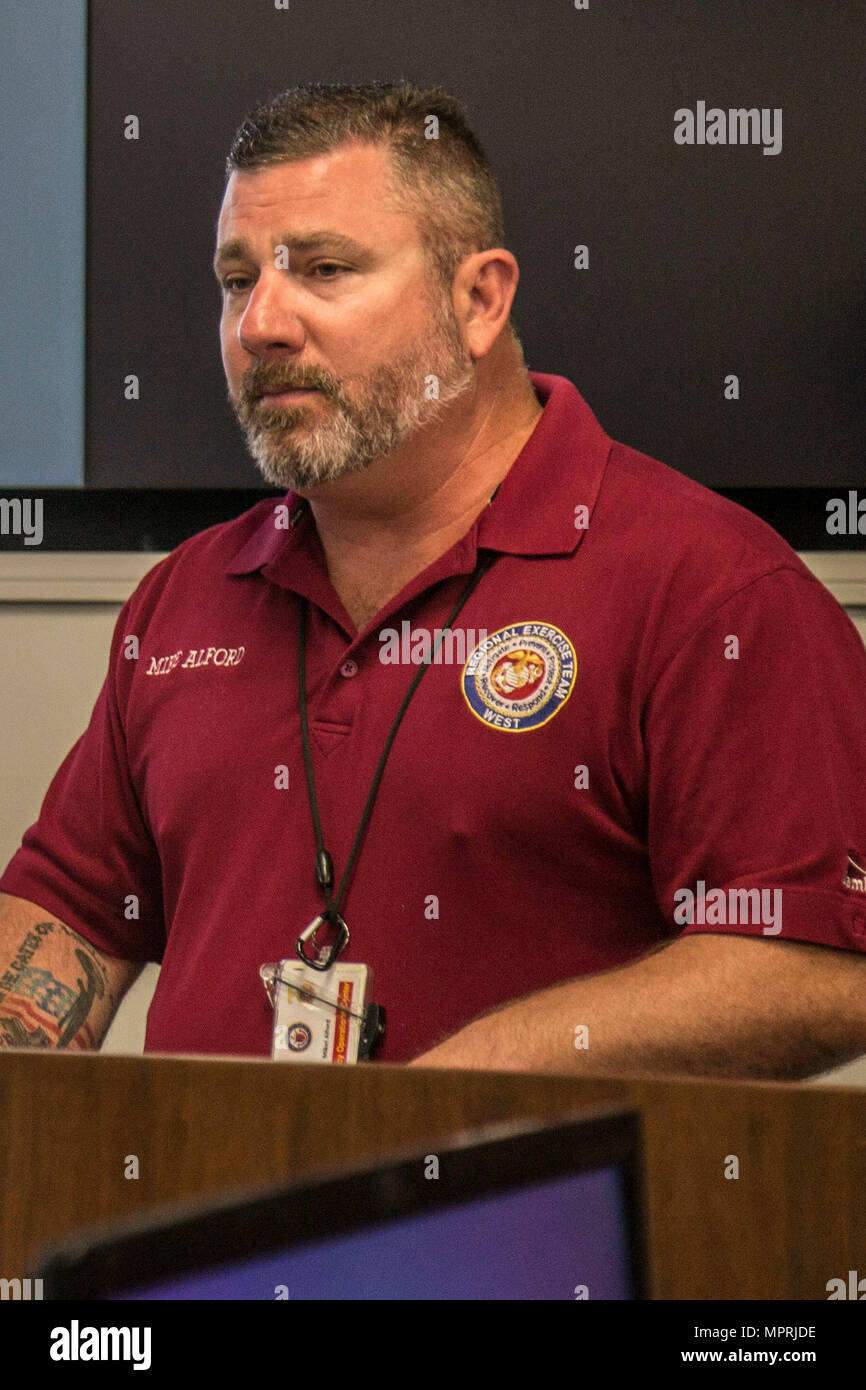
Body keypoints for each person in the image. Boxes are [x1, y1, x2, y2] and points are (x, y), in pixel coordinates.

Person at [1, 80, 865, 1077]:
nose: (259, 326)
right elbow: (67, 912)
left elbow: (819, 963)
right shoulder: (186, 596)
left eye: (322, 269)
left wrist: (459, 1084)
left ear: (479, 299)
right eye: (237, 281)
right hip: (210, 1226)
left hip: (533, 1231)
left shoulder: (707, 589)